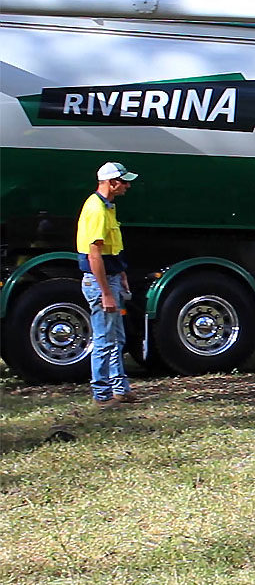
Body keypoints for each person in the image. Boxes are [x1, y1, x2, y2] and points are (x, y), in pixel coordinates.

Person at [77, 161, 139, 407]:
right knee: (104, 340)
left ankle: (120, 389)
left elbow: (110, 249)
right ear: (111, 183)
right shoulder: (97, 211)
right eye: (124, 182)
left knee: (116, 338)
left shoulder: (106, 207)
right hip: (100, 283)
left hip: (110, 278)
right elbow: (94, 255)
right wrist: (106, 293)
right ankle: (102, 396)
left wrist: (120, 273)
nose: (127, 186)